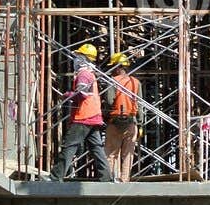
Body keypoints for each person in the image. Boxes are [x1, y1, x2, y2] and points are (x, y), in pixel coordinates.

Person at [52, 42, 112, 181]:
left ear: (84, 58)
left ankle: (55, 177)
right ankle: (106, 178)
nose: (76, 58)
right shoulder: (91, 74)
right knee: (97, 149)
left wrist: (66, 95)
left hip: (83, 117)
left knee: (69, 146)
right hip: (93, 117)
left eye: (78, 55)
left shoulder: (83, 74)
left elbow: (81, 95)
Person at [104, 52, 142, 183]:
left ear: (116, 67)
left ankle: (109, 180)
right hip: (131, 122)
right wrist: (141, 124)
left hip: (114, 122)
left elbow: (109, 101)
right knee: (128, 154)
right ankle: (124, 180)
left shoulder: (112, 81)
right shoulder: (136, 82)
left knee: (111, 153)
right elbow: (140, 105)